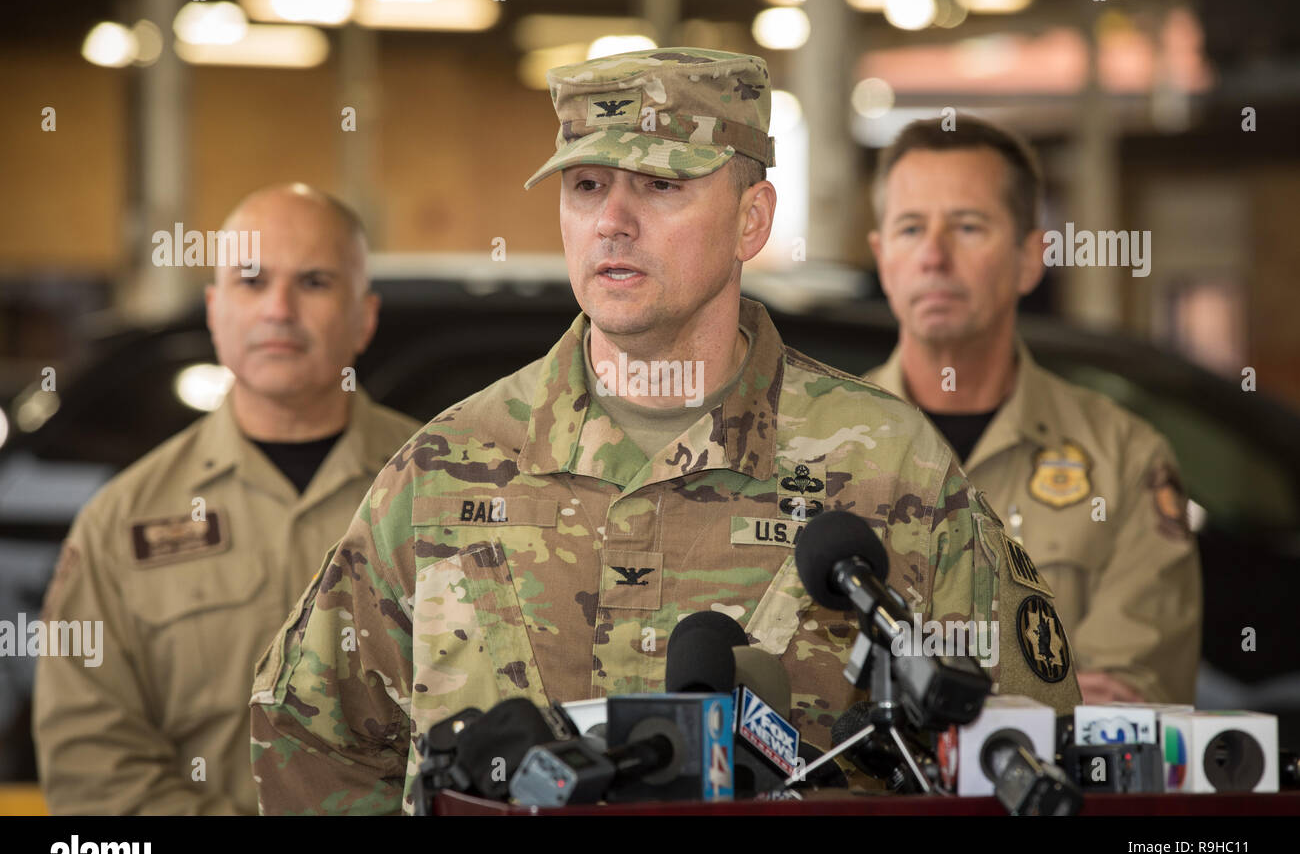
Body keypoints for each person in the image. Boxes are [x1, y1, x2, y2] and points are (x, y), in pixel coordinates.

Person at [249, 49, 1081, 815]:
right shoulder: (447, 469)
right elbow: (310, 743)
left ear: (751, 221)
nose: (612, 220)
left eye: (660, 186)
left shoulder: (891, 471)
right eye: (585, 187)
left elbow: (1024, 750)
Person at [33, 184, 419, 814]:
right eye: (251, 281)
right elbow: (92, 761)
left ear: (364, 316)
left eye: (315, 282)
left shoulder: (447, 488)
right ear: (215, 311)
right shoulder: (122, 523)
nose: (279, 309)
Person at [865, 115, 1201, 705]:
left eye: (968, 227)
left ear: (1029, 257)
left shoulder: (1123, 458)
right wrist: (1035, 697)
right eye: (911, 228)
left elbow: (1126, 696)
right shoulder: (808, 448)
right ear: (882, 257)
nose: (934, 256)